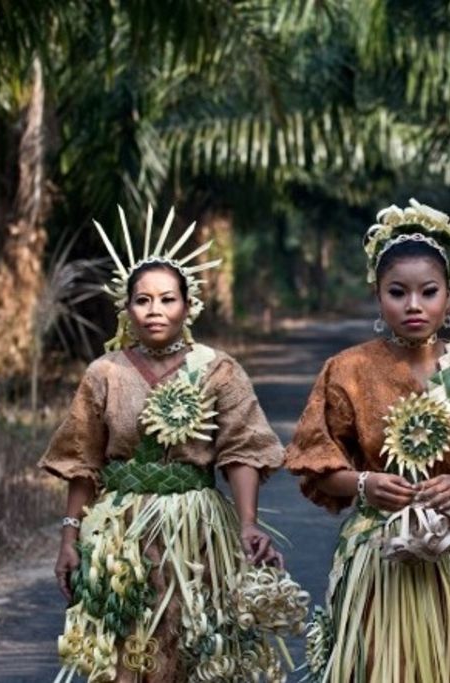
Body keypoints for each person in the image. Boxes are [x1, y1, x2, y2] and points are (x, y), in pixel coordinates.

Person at [286, 199, 450, 683]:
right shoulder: (348, 369)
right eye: (397, 292)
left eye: (428, 292)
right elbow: (315, 459)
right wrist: (364, 484)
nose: (414, 305)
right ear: (376, 294)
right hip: (377, 551)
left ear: (449, 295)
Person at [39, 206, 308, 683]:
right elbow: (83, 461)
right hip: (119, 537)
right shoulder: (105, 373)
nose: (155, 310)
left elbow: (242, 451)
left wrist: (247, 525)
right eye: (143, 300)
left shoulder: (217, 369)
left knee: (195, 646)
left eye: (167, 299)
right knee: (128, 649)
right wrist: (69, 537)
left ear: (188, 306)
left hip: (196, 534)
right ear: (127, 308)